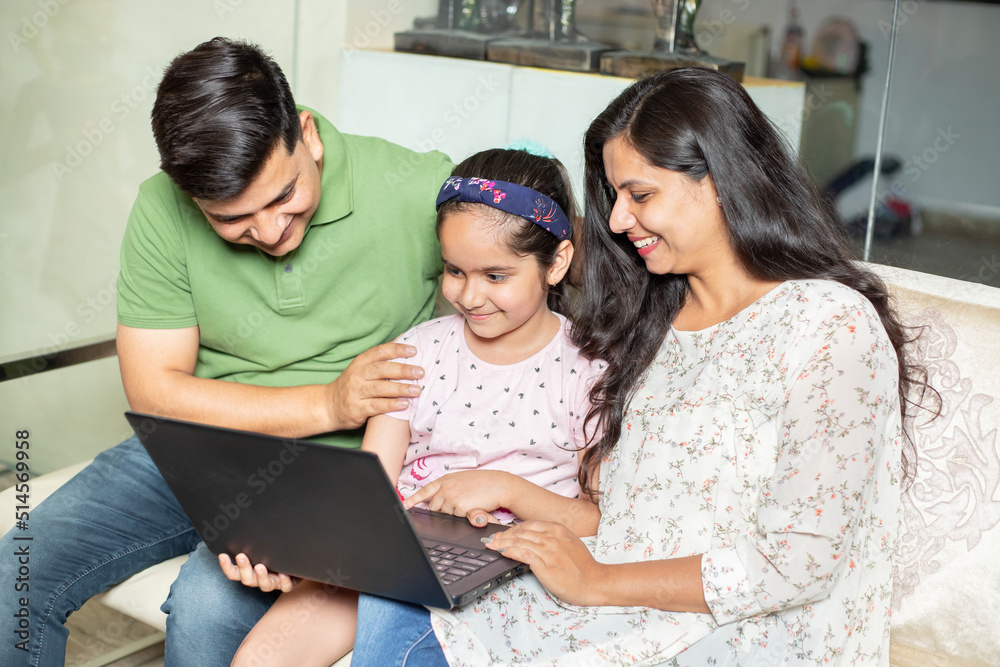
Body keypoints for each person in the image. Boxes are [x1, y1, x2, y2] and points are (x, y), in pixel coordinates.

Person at [350, 66, 919, 667]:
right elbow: (612, 508)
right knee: (400, 598)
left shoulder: (830, 325)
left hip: (743, 631)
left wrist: (595, 581)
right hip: (613, 601)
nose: (618, 220)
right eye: (616, 197)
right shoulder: (647, 323)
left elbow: (794, 564)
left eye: (641, 195)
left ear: (723, 180)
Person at [0, 37, 454, 667]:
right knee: (15, 574)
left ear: (308, 135)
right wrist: (328, 401)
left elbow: (530, 292)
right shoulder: (161, 209)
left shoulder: (418, 187)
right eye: (233, 220)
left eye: (283, 196)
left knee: (206, 611)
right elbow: (156, 390)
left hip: (333, 473)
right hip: (193, 446)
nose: (270, 233)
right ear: (192, 200)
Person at [219, 148, 607, 667]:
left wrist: (508, 489)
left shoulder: (591, 371)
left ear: (556, 263)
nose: (468, 296)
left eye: (496, 276)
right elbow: (370, 491)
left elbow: (599, 519)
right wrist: (295, 551)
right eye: (453, 270)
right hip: (397, 554)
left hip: (516, 568)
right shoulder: (415, 355)